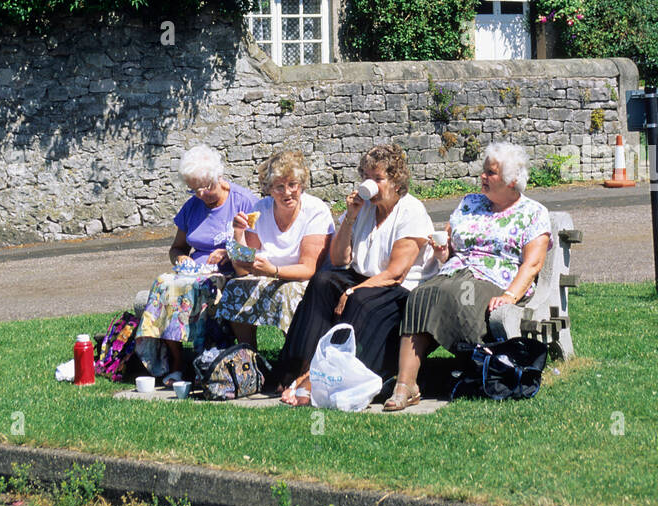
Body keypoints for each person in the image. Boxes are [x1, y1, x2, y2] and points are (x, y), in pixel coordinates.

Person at [383, 140, 552, 411]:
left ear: (511, 181)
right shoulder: (470, 202)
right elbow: (451, 251)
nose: (483, 177)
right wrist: (442, 251)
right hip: (455, 272)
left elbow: (532, 265)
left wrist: (510, 295)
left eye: (491, 173)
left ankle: (472, 363)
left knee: (452, 295)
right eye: (484, 171)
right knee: (420, 294)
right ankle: (405, 384)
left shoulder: (533, 213)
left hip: (496, 280)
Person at [274, 143, 434, 405]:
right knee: (323, 282)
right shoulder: (366, 208)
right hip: (363, 278)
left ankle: (324, 380)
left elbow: (396, 274)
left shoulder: (410, 211)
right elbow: (338, 259)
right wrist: (350, 216)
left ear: (396, 182)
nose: (370, 184)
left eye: (378, 179)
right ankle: (299, 368)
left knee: (359, 302)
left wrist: (352, 291)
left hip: (398, 288)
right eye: (367, 178)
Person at [134, 144, 260, 380]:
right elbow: (177, 247)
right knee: (164, 286)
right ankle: (176, 363)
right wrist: (181, 258)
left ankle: (214, 358)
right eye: (194, 190)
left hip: (233, 273)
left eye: (206, 187)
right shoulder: (192, 207)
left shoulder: (243, 201)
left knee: (201, 290)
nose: (201, 195)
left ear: (219, 177)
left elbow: (257, 248)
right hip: (196, 273)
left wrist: (227, 250)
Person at [205, 148, 335, 347]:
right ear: (269, 189)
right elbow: (242, 270)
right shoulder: (261, 209)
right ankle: (249, 356)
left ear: (301, 185)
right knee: (235, 288)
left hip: (306, 280)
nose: (287, 192)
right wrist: (239, 233)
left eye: (293, 185)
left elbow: (308, 269)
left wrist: (273, 271)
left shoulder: (315, 211)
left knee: (288, 293)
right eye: (279, 187)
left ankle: (295, 360)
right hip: (270, 275)